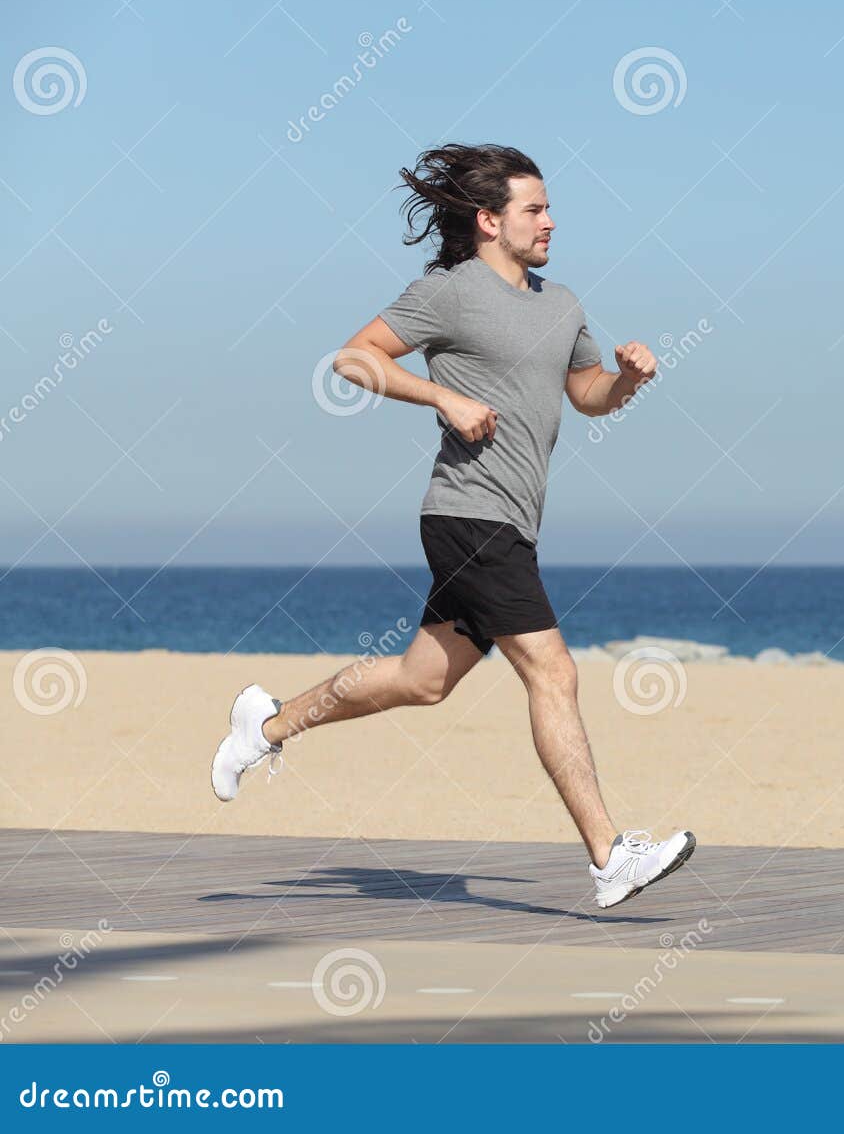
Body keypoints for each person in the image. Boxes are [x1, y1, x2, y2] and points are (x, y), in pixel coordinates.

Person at [209, 143, 694, 909]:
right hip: (468, 512)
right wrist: (443, 399)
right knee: (554, 670)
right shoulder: (451, 295)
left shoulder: (563, 304)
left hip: (510, 522)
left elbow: (588, 395)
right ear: (488, 220)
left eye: (547, 207)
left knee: (420, 681)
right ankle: (610, 857)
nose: (549, 221)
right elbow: (355, 357)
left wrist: (627, 379)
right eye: (534, 209)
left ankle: (265, 727)